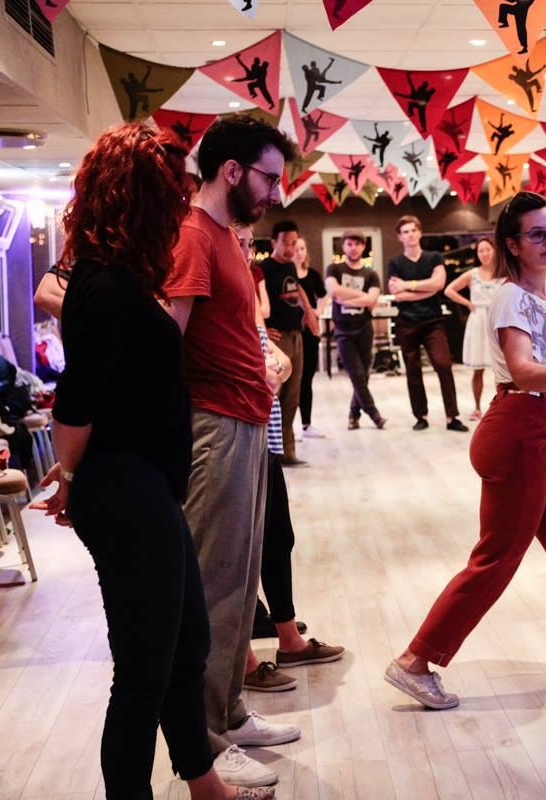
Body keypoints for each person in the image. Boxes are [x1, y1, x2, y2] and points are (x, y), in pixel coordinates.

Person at [32, 123, 274, 800]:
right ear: (139, 200)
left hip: (146, 485)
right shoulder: (106, 285)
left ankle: (203, 781)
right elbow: (76, 400)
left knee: (186, 643)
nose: (179, 209)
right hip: (124, 488)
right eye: (170, 196)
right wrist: (70, 479)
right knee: (144, 670)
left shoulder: (127, 278)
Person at [384, 192, 546, 711]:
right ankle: (415, 660)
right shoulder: (510, 298)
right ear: (513, 244)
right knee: (497, 558)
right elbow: (523, 371)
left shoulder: (541, 297)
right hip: (517, 432)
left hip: (535, 432)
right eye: (538, 234)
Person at [163, 114, 302, 789]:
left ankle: (230, 712)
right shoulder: (194, 235)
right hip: (215, 427)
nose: (277, 192)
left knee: (241, 584)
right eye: (270, 179)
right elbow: (165, 342)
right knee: (214, 588)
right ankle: (206, 741)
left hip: (244, 420)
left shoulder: (223, 236)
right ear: (231, 171)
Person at [233, 225, 346, 694]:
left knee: (277, 534)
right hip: (227, 426)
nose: (244, 250)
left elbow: (264, 338)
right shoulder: (209, 276)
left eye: (248, 242)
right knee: (235, 547)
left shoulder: (247, 276)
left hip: (255, 422)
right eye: (237, 240)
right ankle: (242, 661)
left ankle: (289, 639)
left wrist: (274, 363)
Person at [386, 215, 468, 432]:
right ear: (399, 237)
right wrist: (426, 288)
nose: (410, 235)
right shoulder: (395, 263)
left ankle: (452, 416)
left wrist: (409, 285)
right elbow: (398, 295)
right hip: (406, 323)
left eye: (413, 230)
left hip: (433, 321)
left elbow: (438, 284)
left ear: (420, 233)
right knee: (413, 371)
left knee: (443, 365)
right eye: (405, 232)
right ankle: (421, 416)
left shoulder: (434, 257)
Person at [260, 220, 314, 466]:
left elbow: (298, 289)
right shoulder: (264, 268)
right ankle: (270, 453)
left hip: (296, 335)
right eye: (285, 243)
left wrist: (309, 312)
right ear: (274, 242)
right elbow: (254, 300)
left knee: (292, 397)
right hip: (277, 338)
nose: (290, 248)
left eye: (294, 243)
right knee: (275, 396)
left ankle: (286, 451)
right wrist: (263, 329)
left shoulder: (291, 266)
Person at [324, 231, 387, 430]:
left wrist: (347, 298)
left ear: (363, 247)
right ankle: (374, 414)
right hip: (343, 330)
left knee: (363, 375)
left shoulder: (371, 274)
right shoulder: (334, 269)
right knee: (357, 375)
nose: (353, 248)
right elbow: (333, 290)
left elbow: (372, 300)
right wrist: (362, 297)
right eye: (349, 244)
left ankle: (353, 415)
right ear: (343, 246)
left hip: (364, 328)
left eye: (357, 244)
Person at [443, 238, 503, 420]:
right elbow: (449, 290)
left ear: (494, 250)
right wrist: (468, 303)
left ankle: (502, 407)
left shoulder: (504, 272)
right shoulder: (473, 274)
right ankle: (477, 408)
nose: (484, 253)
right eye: (480, 251)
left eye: (487, 249)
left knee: (501, 368)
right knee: (478, 368)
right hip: (478, 319)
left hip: (498, 319)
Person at [292, 237, 326, 440]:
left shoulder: (312, 274)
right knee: (291, 380)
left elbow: (323, 295)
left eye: (302, 249)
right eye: (296, 248)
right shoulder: (287, 275)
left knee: (307, 378)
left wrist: (318, 311)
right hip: (292, 329)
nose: (299, 252)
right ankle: (288, 427)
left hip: (309, 332)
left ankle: (306, 424)